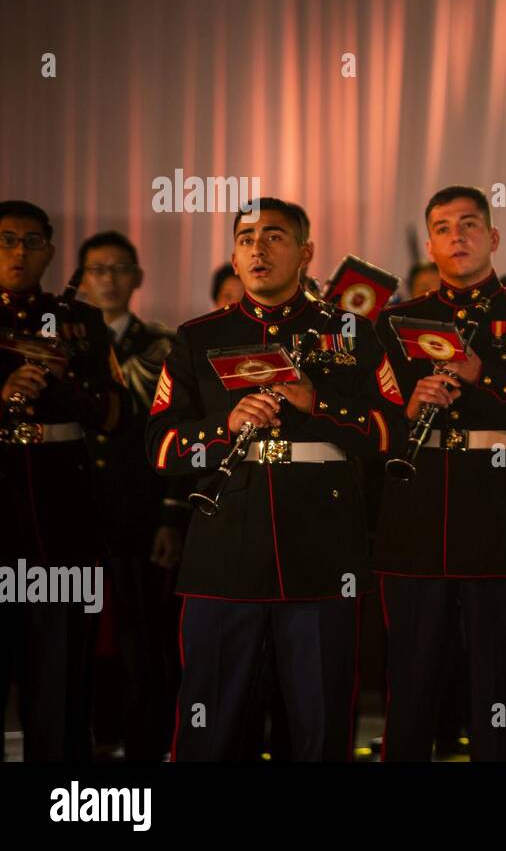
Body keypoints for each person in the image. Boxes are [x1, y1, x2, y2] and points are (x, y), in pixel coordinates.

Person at [146, 197, 402, 761]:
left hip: (322, 551)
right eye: (245, 239)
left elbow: (391, 433)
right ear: (234, 261)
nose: (258, 248)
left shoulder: (353, 333)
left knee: (320, 721)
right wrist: (222, 426)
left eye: (275, 237)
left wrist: (320, 403)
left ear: (307, 253)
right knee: (211, 721)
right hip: (224, 552)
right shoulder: (197, 337)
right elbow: (161, 445)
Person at [373, 185, 506, 762]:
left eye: (469, 224)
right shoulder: (396, 323)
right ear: (431, 245)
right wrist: (407, 407)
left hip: (504, 524)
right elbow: (370, 421)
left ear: (493, 238)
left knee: (502, 688)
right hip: (418, 519)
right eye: (442, 227)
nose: (456, 236)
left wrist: (484, 376)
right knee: (411, 686)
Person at [0, 200, 127, 761]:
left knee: (62, 683)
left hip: (64, 524)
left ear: (50, 251)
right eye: (6, 240)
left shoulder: (83, 323)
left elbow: (119, 415)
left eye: (31, 241)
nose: (19, 252)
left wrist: (65, 386)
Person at [78, 229, 186, 760]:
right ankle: (91, 740)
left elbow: (174, 437)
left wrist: (171, 514)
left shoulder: (161, 345)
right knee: (75, 640)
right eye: (97, 269)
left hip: (141, 517)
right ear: (80, 278)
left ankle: (148, 746)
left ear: (138, 277)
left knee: (147, 639)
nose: (108, 279)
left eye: (119, 268)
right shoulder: (61, 342)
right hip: (71, 518)